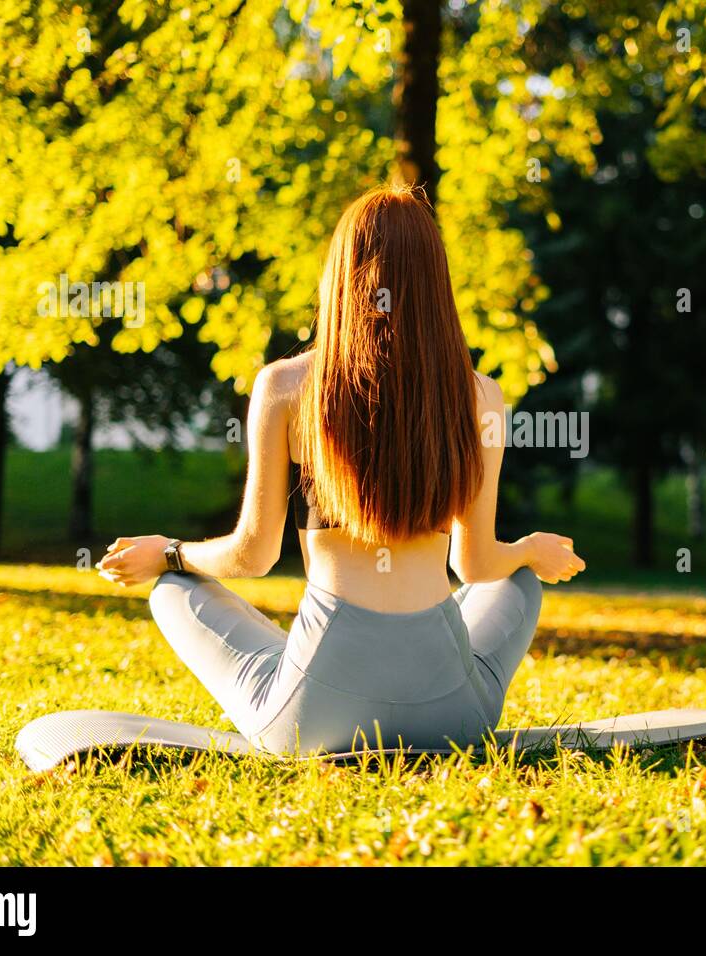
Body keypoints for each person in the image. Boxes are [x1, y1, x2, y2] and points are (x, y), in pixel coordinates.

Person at [97, 184, 584, 755]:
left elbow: (253, 556)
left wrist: (171, 553)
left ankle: (295, 661)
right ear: (435, 283)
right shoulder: (481, 397)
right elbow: (474, 564)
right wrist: (529, 549)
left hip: (313, 720)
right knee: (517, 577)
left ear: (343, 273)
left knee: (173, 588)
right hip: (454, 719)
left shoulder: (285, 385)